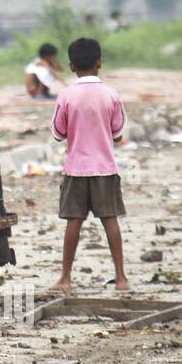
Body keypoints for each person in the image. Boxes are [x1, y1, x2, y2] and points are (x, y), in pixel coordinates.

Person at [49, 37, 130, 293]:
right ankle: (121, 279)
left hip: (76, 169)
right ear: (99, 63)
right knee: (110, 220)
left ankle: (65, 278)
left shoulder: (66, 95)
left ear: (71, 66)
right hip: (105, 168)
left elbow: (58, 133)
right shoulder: (111, 94)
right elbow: (118, 131)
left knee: (74, 222)